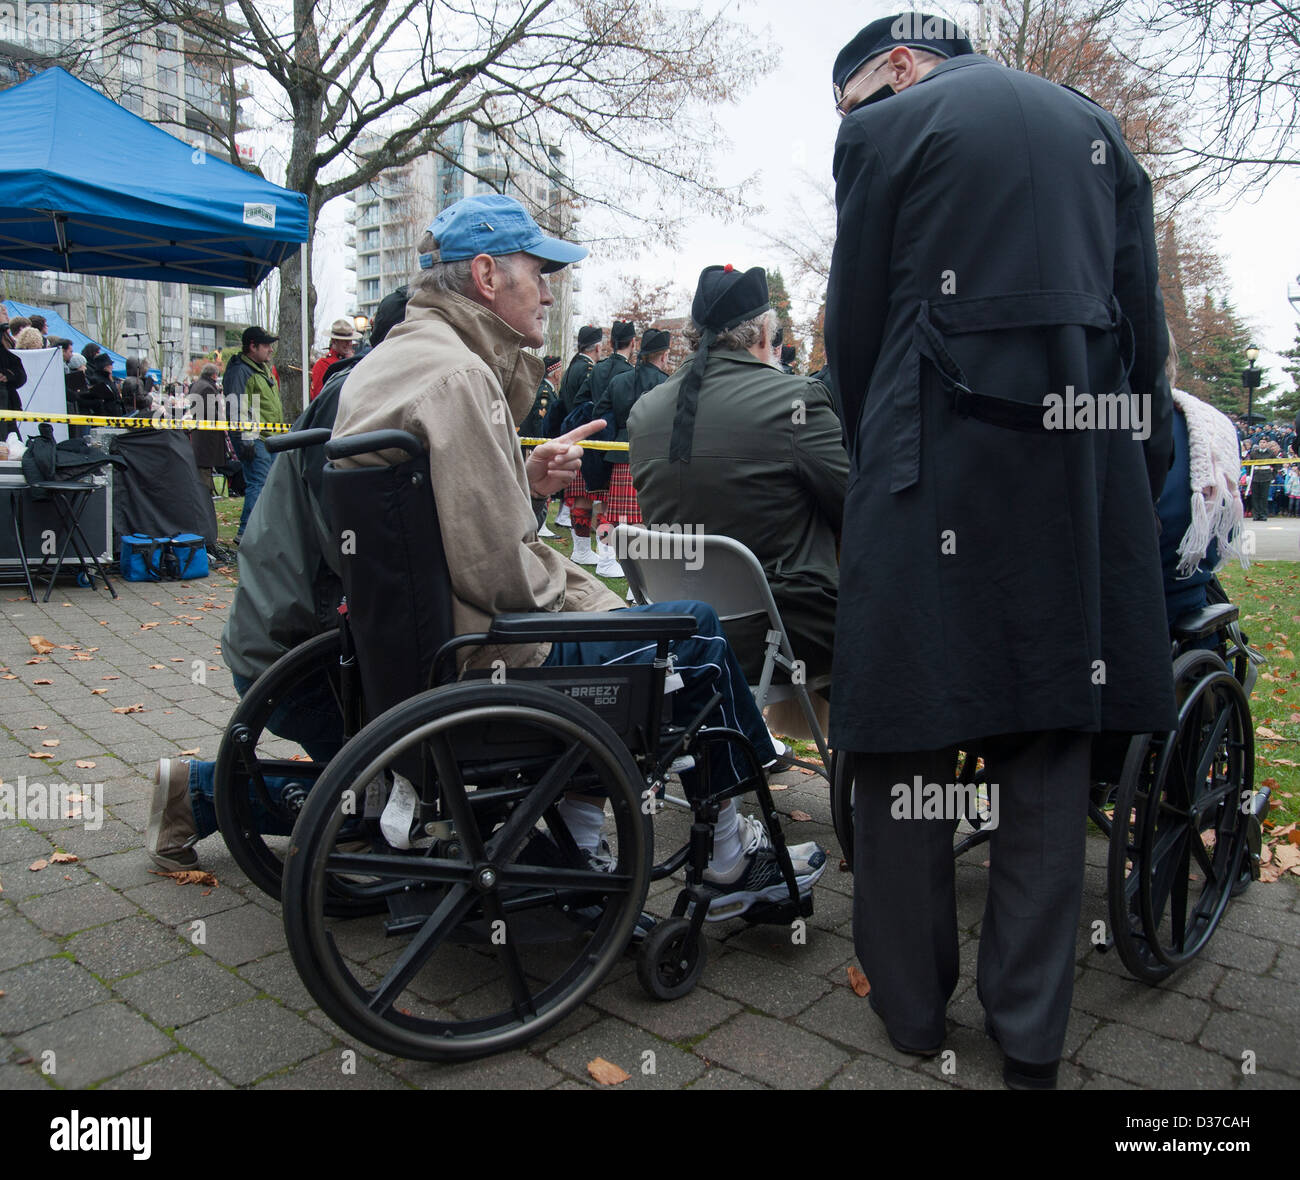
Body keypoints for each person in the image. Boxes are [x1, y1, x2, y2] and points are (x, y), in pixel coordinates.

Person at [825, 14, 1175, 1089]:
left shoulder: (886, 132)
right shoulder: (1098, 129)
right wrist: (1138, 461)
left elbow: (853, 323)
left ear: (892, 67)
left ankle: (914, 1013)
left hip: (927, 461)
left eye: (845, 100)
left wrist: (868, 437)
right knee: (1046, 748)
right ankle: (1029, 1036)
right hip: (1072, 480)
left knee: (898, 749)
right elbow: (1140, 325)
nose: (844, 121)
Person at [328, 193, 825, 911]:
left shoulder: (391, 363)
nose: (551, 288)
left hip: (421, 652)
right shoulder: (461, 377)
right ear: (490, 275)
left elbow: (444, 524)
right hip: (493, 658)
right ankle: (726, 856)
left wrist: (523, 486)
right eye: (541, 270)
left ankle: (583, 825)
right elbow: (503, 573)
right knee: (691, 633)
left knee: (642, 624)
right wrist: (588, 595)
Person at [148, 288, 411, 869]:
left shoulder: (355, 390)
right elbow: (366, 548)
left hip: (287, 639)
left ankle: (195, 791)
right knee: (385, 795)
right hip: (297, 652)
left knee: (387, 783)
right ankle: (195, 794)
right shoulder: (362, 401)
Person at [629, 267, 847, 681]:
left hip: (675, 628)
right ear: (765, 334)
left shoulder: (644, 410)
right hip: (778, 633)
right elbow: (858, 505)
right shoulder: (795, 399)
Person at [591, 327, 672, 577]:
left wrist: (618, 434)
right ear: (664, 355)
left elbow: (599, 415)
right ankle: (636, 578)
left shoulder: (620, 380)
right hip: (653, 457)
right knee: (643, 521)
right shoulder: (667, 384)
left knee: (616, 517)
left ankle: (607, 563)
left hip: (620, 453)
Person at [564, 320, 635, 566]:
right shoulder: (629, 372)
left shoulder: (598, 368)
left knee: (586, 496)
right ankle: (606, 558)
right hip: (615, 443)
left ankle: (582, 550)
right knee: (608, 502)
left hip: (591, 439)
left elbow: (581, 400)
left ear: (611, 342)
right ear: (633, 343)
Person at [224, 325, 284, 541]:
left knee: (268, 485)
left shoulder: (259, 368)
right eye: (266, 345)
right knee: (258, 484)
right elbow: (235, 405)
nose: (270, 350)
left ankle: (260, 531)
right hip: (255, 437)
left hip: (270, 437)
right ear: (253, 346)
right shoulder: (240, 371)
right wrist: (244, 439)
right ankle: (246, 533)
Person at [188, 362, 228, 494]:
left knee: (203, 469)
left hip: (200, 432)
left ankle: (206, 493)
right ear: (214, 375)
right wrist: (223, 421)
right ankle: (205, 495)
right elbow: (211, 412)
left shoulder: (196, 385)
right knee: (204, 469)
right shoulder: (207, 388)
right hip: (207, 435)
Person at [309, 318, 360, 401]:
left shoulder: (354, 362)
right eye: (345, 341)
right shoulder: (322, 364)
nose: (349, 343)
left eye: (350, 340)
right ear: (334, 341)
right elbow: (319, 397)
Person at [81, 352, 124, 416]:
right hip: (107, 414)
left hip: (116, 412)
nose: (112, 367)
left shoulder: (109, 378)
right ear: (104, 366)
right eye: (110, 365)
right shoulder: (96, 380)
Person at [1248, 436, 1274, 521]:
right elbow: (1249, 464)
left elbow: (1277, 465)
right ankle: (1256, 514)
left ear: (1267, 444)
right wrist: (1248, 475)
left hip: (1266, 476)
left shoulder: (1270, 453)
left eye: (1264, 442)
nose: (1262, 444)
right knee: (1255, 496)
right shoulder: (1254, 453)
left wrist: (1273, 476)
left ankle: (1263, 514)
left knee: (1264, 496)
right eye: (1261, 442)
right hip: (1255, 476)